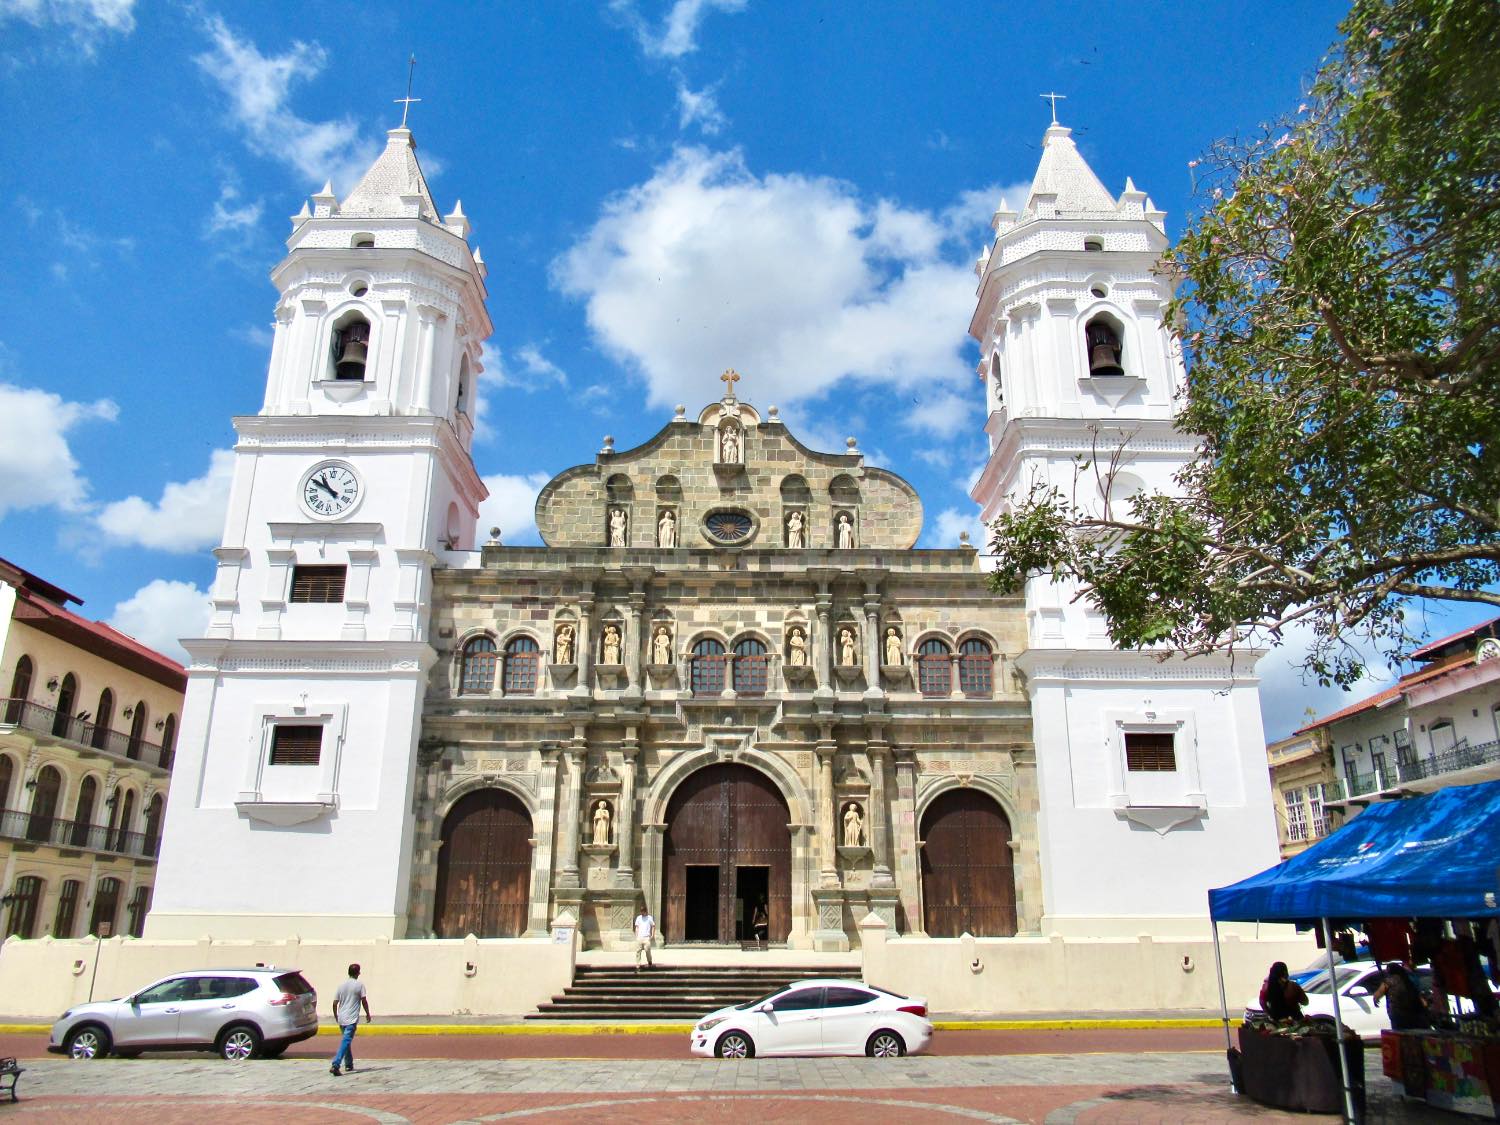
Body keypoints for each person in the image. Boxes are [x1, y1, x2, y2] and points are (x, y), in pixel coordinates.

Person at [329, 962, 372, 1076]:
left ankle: (349, 1064)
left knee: (346, 1041)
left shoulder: (341, 985)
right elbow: (364, 1000)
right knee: (346, 1041)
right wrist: (367, 1013)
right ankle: (336, 1064)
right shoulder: (359, 985)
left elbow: (334, 1003)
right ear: (357, 973)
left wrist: (336, 1016)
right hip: (351, 1018)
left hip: (342, 1018)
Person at [1372, 961, 1430, 1031]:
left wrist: (1375, 999)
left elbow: (1378, 993)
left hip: (1397, 1014)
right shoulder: (1407, 981)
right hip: (1411, 1013)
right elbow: (1419, 996)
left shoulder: (1389, 981)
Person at [632, 906, 655, 971]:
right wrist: (636, 936)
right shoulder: (639, 918)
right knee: (638, 951)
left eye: (643, 911)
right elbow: (637, 927)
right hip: (640, 937)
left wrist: (652, 935)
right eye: (641, 911)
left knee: (647, 950)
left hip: (646, 937)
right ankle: (638, 965)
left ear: (645, 911)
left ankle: (649, 961)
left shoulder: (649, 918)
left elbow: (653, 926)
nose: (642, 912)